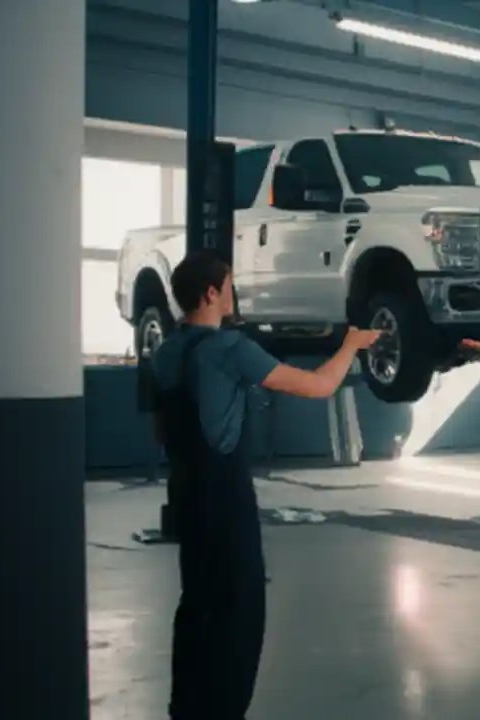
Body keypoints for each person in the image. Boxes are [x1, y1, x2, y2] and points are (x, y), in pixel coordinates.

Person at [153, 251, 381, 719]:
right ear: (212, 293)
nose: (234, 293)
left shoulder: (165, 352)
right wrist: (351, 345)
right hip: (226, 498)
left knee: (197, 607)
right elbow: (319, 385)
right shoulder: (229, 349)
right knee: (239, 615)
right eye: (229, 285)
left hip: (186, 495)